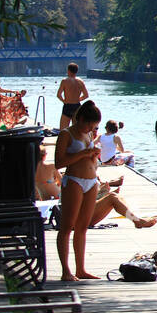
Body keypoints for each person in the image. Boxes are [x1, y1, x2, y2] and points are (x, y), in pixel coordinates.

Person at [55, 100, 103, 280]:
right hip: (73, 180)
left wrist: (93, 155)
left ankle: (80, 269)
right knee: (67, 226)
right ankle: (65, 271)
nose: (91, 128)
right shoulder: (66, 134)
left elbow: (91, 160)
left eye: (94, 126)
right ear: (80, 119)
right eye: (89, 124)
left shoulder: (88, 135)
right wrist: (83, 154)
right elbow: (59, 162)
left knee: (83, 227)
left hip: (91, 182)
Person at [90, 180, 157, 228]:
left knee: (116, 197)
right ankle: (137, 221)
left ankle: (136, 218)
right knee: (112, 197)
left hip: (85, 213)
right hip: (81, 218)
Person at [56, 63, 89, 130]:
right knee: (76, 130)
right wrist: (78, 99)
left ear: (68, 70)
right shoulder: (80, 81)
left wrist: (64, 101)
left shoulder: (65, 81)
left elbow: (58, 95)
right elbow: (86, 95)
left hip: (68, 105)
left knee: (63, 130)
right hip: (77, 106)